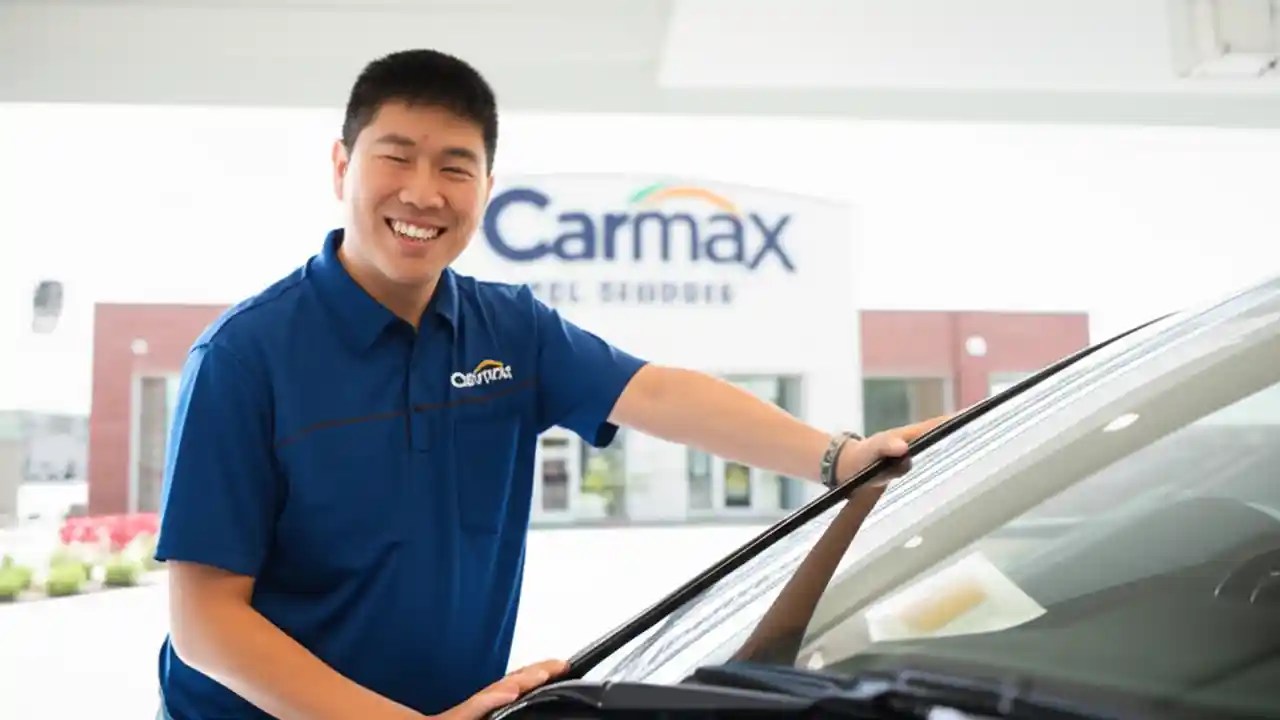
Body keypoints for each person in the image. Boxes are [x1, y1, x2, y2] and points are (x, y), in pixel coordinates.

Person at [153, 48, 945, 720]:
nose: (423, 193)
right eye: (395, 156)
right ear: (341, 166)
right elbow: (206, 622)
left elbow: (660, 395)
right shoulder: (244, 356)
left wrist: (837, 456)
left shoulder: (512, 331)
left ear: (487, 188)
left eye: (455, 167)